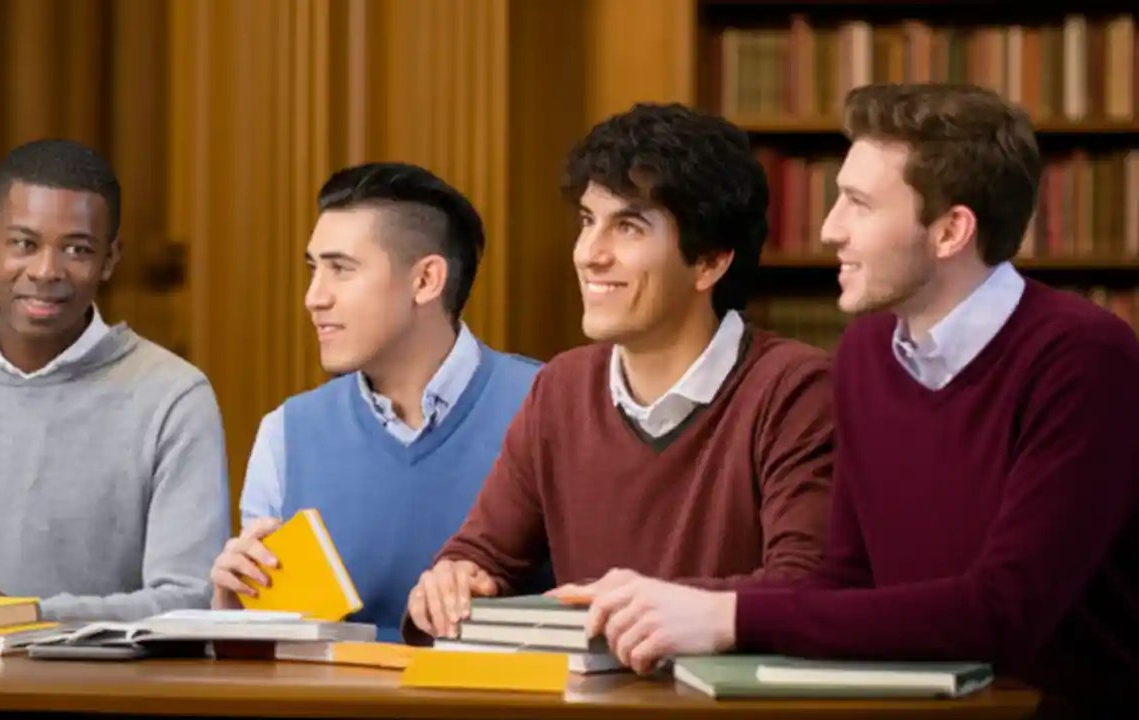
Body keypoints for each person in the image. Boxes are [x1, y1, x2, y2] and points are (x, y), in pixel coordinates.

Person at [571, 83, 1139, 716]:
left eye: (859, 205)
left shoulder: (1086, 357)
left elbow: (1004, 613)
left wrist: (726, 616)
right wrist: (662, 602)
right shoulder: (866, 353)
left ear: (951, 230)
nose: (828, 229)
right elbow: (841, 582)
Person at [405, 102, 835, 642]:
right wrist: (454, 580)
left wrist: (654, 604)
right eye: (588, 221)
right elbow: (483, 553)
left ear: (710, 262)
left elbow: (807, 586)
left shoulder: (796, 389)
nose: (589, 253)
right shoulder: (561, 388)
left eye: (628, 227)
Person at [0, 138, 230, 621]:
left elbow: (189, 601)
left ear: (111, 259)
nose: (46, 270)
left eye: (77, 249)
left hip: (100, 695)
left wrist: (17, 614)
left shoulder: (173, 396)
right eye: (24, 244)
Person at [209, 162, 541, 641]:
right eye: (313, 269)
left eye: (341, 269)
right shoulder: (286, 432)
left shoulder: (549, 408)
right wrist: (233, 613)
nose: (313, 297)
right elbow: (269, 653)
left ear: (426, 280)